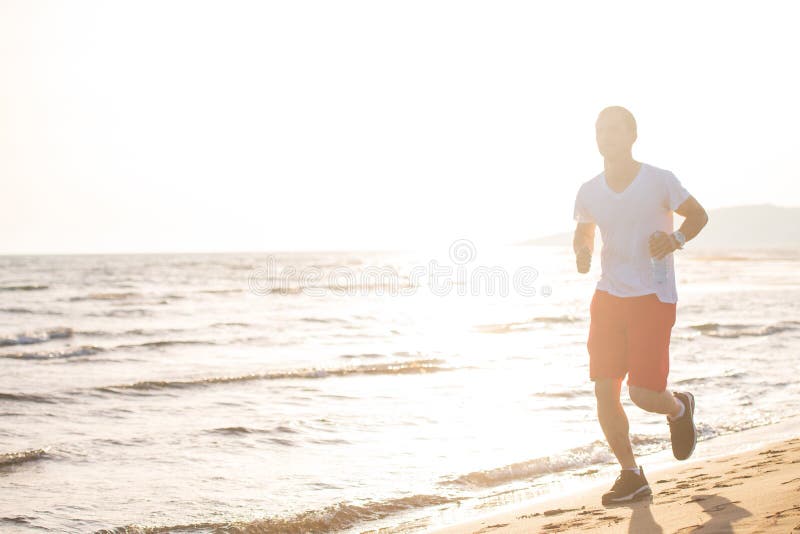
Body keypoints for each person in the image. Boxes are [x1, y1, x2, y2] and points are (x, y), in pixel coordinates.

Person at [572, 106, 709, 505]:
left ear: (633, 136)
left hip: (653, 295)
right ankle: (631, 474)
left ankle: (679, 408)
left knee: (645, 395)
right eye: (600, 130)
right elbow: (583, 233)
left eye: (615, 129)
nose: (606, 136)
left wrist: (676, 239)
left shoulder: (659, 181)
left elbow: (698, 215)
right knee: (604, 390)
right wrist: (582, 252)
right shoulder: (589, 190)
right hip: (609, 296)